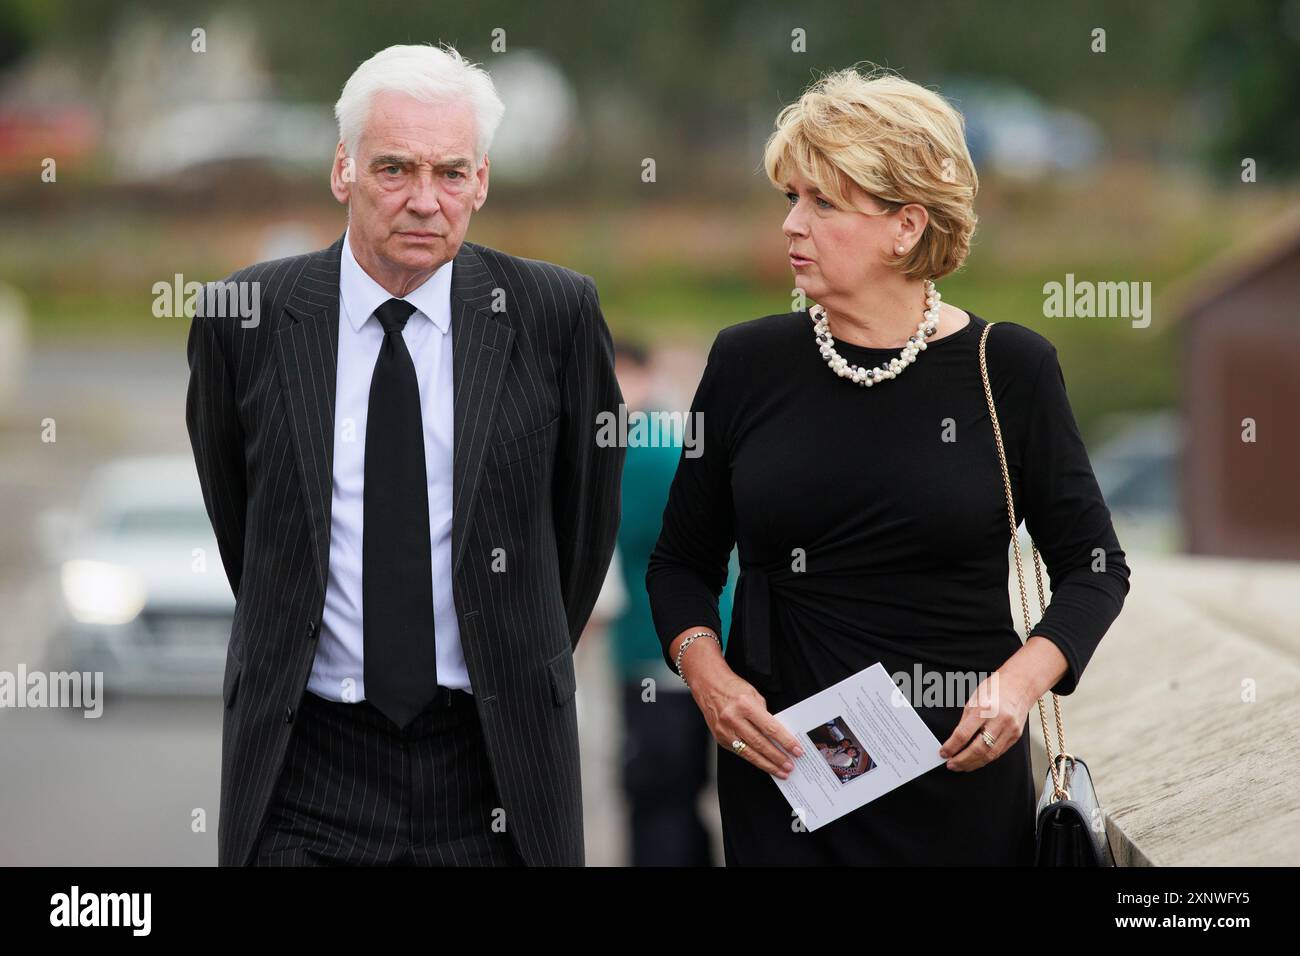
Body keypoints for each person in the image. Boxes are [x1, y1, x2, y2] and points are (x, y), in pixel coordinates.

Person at [645, 65, 1131, 865]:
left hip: (959, 779)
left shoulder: (1008, 368)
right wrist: (710, 679)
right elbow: (679, 564)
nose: (791, 225)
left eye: (822, 202)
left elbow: (1095, 567)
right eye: (790, 197)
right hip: (789, 781)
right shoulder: (745, 363)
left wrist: (1018, 685)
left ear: (906, 226)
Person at [186, 43, 624, 866]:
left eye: (451, 173)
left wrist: (508, 652)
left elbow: (583, 529)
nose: (425, 200)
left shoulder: (555, 313)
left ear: (481, 181)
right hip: (306, 765)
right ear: (343, 169)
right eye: (395, 169)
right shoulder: (244, 317)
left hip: (493, 765)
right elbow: (245, 524)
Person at [607, 340, 738, 866]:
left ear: (642, 375)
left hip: (662, 650)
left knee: (659, 794)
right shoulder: (664, 434)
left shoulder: (646, 449)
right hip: (693, 641)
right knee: (683, 792)